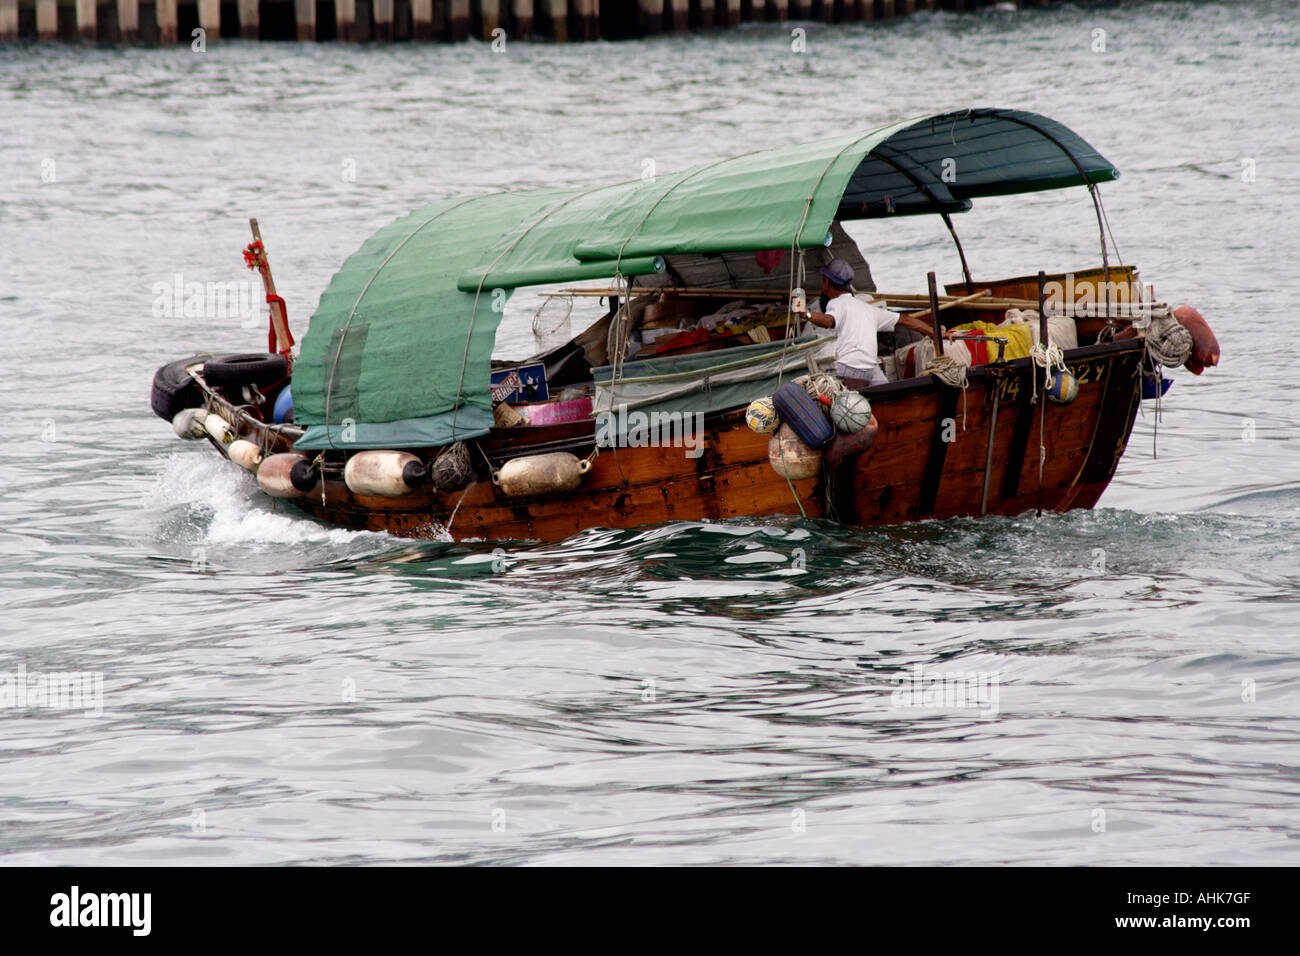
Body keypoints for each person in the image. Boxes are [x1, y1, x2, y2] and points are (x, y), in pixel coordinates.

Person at [800, 258, 943, 389]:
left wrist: (805, 314)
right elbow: (905, 320)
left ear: (826, 282)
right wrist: (936, 333)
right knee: (880, 387)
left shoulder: (837, 303)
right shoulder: (868, 309)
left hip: (852, 370)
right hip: (870, 369)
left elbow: (830, 321)